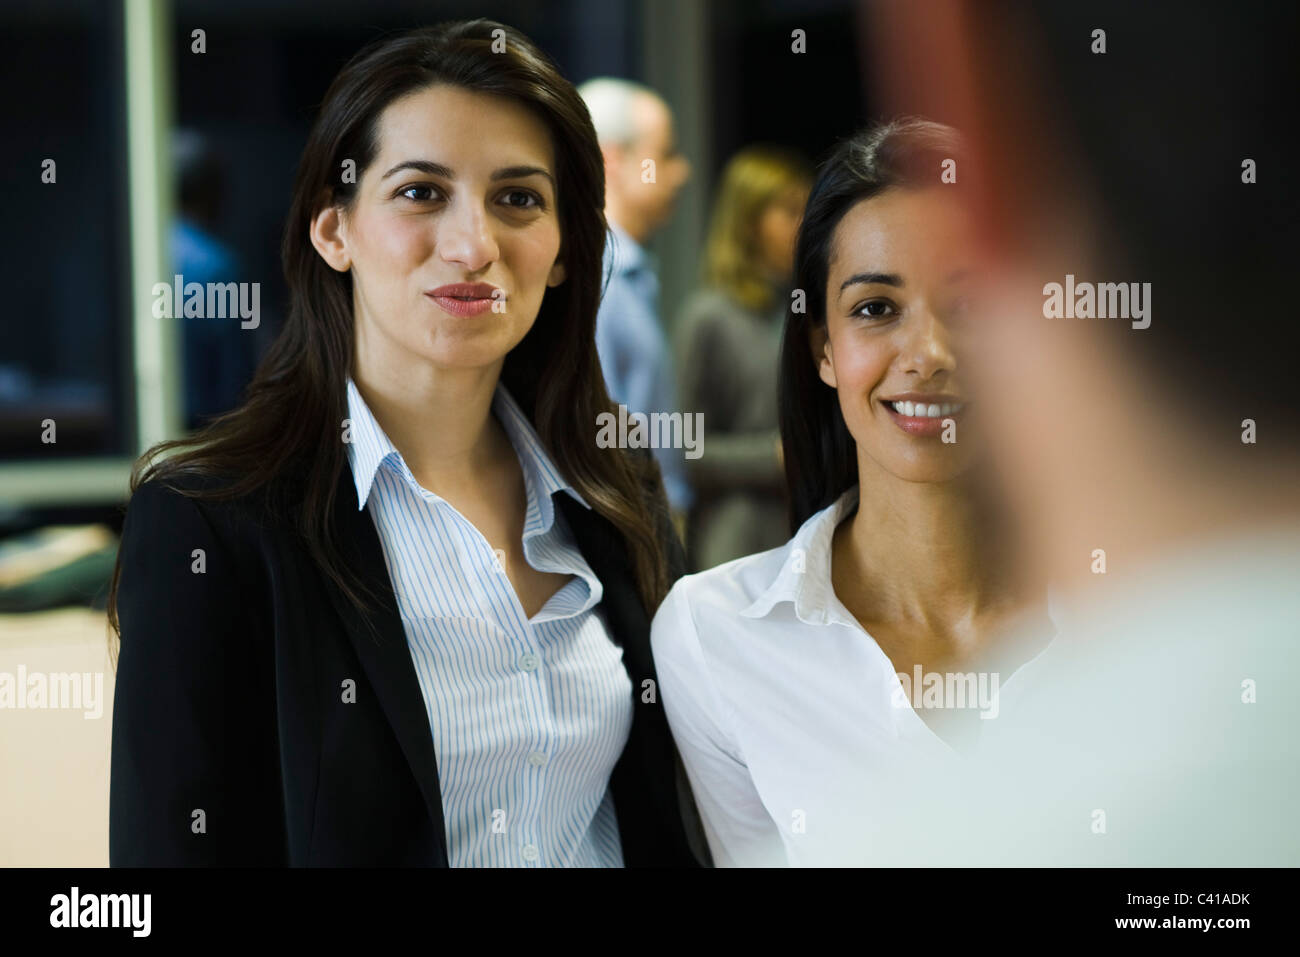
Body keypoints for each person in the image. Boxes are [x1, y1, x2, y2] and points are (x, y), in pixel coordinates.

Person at [107, 19, 702, 868]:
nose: (473, 246)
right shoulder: (212, 521)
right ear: (333, 231)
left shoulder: (611, 484)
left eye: (518, 198)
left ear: (566, 248)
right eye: (421, 192)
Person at [649, 119, 1056, 866]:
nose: (929, 354)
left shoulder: (1142, 611)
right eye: (876, 308)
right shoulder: (714, 638)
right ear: (824, 349)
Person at [674, 145, 810, 570]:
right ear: (750, 224)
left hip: (805, 531)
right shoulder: (708, 316)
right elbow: (682, 448)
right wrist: (773, 458)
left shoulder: (803, 310)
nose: (805, 225)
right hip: (737, 541)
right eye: (790, 211)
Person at [577, 77, 693, 516]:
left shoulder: (628, 274)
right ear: (612, 161)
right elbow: (594, 442)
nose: (683, 172)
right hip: (628, 530)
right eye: (665, 154)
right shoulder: (596, 280)